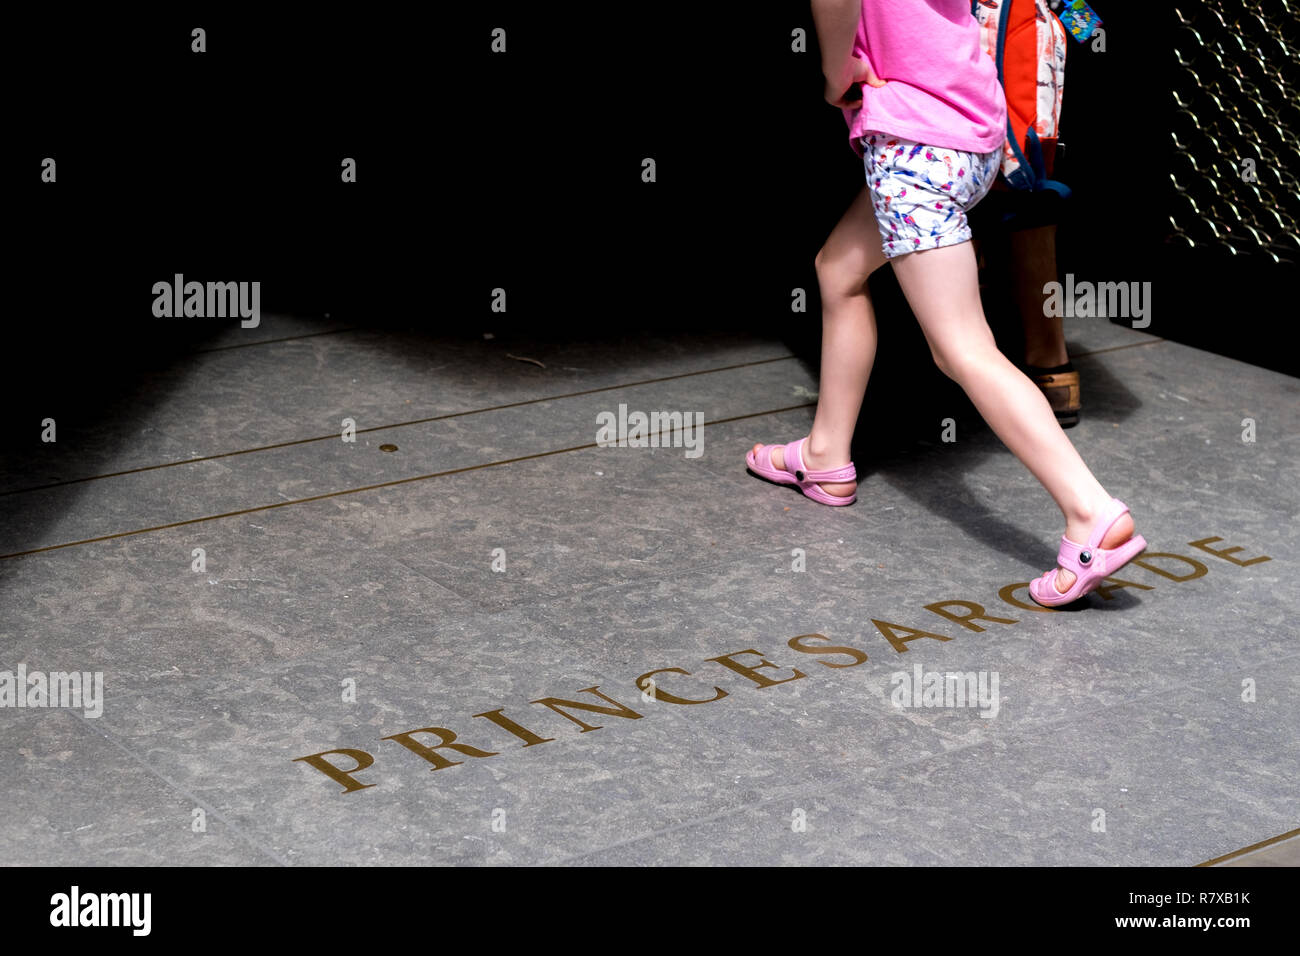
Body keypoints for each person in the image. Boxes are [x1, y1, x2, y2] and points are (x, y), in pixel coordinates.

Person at [746, 0, 1145, 607]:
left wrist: (836, 70)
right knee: (839, 269)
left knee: (963, 350)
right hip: (970, 125)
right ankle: (826, 454)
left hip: (913, 145)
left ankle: (1091, 514)